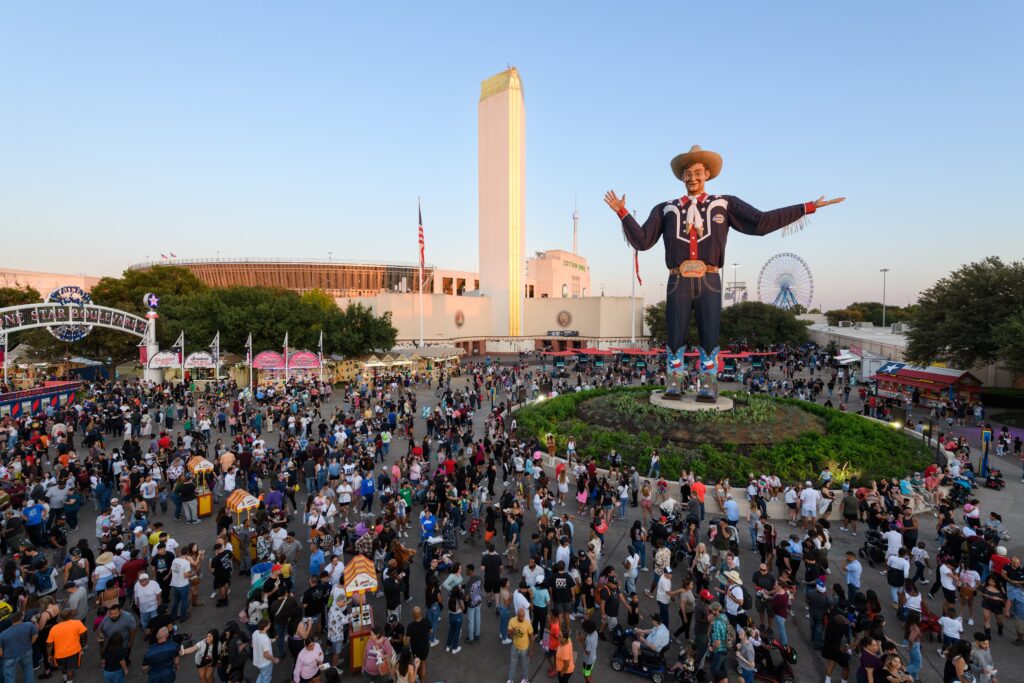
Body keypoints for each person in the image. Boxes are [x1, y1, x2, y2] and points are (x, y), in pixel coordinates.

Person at [606, 145, 843, 398]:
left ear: (707, 174)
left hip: (709, 277)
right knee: (675, 333)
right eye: (687, 173)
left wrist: (806, 207)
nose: (692, 177)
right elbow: (643, 241)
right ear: (682, 177)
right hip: (678, 279)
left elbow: (761, 222)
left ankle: (708, 384)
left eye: (698, 172)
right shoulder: (666, 208)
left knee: (710, 333)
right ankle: (674, 382)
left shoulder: (724, 204)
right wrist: (622, 212)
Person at [46, 609, 87, 683]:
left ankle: (65, 679)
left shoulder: (54, 628)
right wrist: (83, 645)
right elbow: (84, 634)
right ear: (71, 615)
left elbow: (49, 645)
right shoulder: (77, 623)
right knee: (70, 670)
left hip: (59, 655)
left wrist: (49, 656)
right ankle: (69, 681)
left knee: (63, 668)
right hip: (74, 652)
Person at [0, 611, 38, 683]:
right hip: (27, 651)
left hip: (10, 657)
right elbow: (35, 635)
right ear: (22, 618)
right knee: (28, 670)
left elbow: (0, 652)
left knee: (9, 676)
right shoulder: (29, 625)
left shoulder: (3, 634)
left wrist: (5, 656)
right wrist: (30, 644)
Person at [507, 607, 534, 683]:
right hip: (515, 647)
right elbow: (508, 635)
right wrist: (512, 632)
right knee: (513, 663)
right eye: (520, 617)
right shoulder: (512, 621)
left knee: (525, 664)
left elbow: (531, 637)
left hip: (525, 648)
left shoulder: (527, 623)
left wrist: (531, 650)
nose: (522, 619)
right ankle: (510, 679)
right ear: (517, 615)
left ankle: (525, 679)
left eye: (523, 617)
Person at [405, 607, 431, 683]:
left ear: (413, 615)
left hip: (415, 649)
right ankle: (422, 681)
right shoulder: (426, 621)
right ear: (421, 613)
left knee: (417, 664)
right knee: (423, 664)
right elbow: (431, 631)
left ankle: (419, 678)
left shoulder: (410, 626)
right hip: (425, 647)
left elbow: (407, 641)